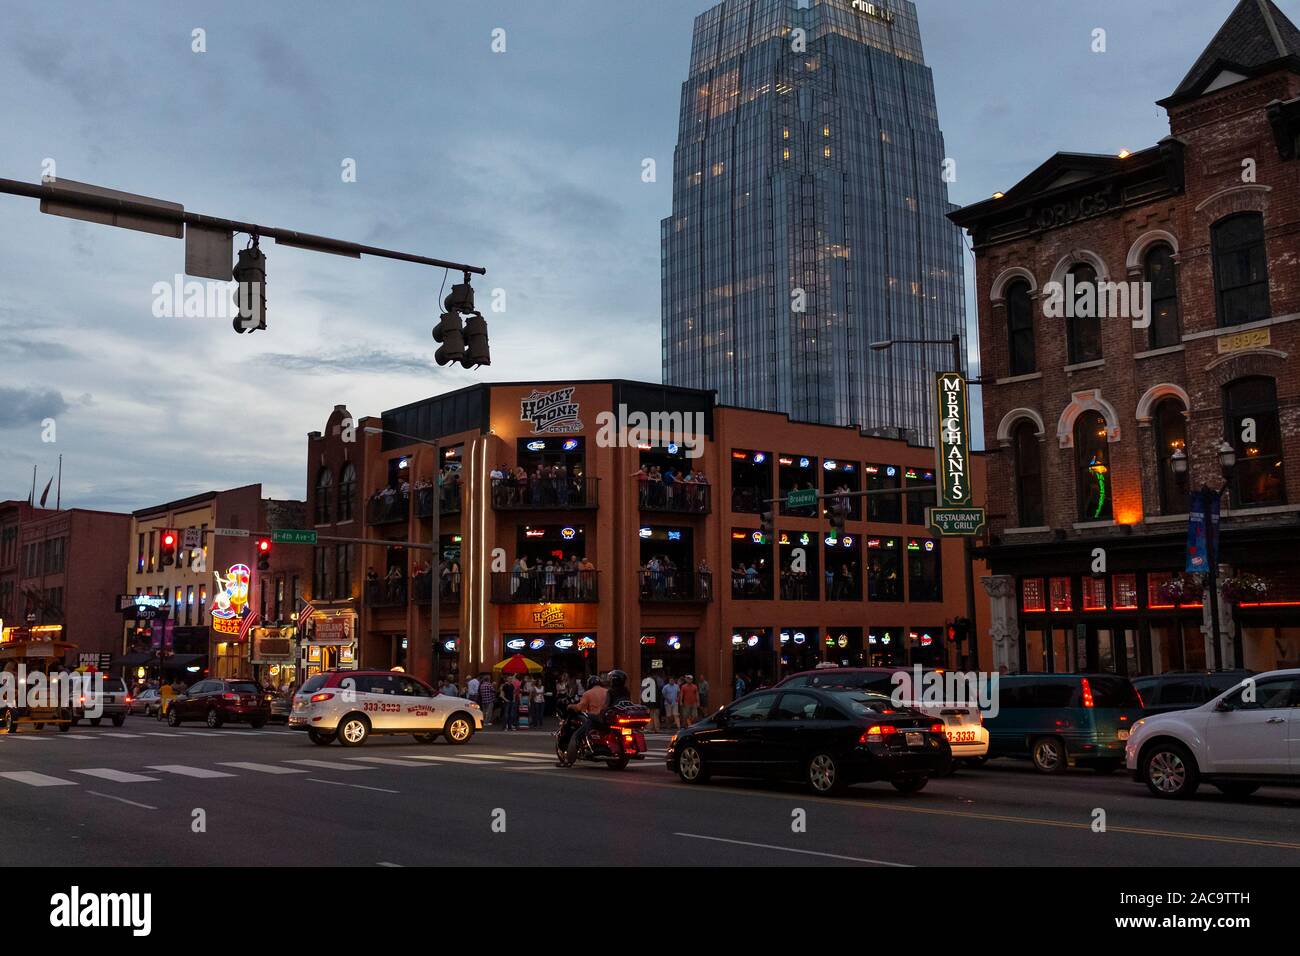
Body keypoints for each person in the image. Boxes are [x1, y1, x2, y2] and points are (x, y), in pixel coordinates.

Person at [561, 672, 609, 766]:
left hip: (593, 719)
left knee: (576, 735)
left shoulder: (588, 693)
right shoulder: (607, 692)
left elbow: (580, 708)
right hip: (606, 719)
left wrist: (570, 706)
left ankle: (569, 760)